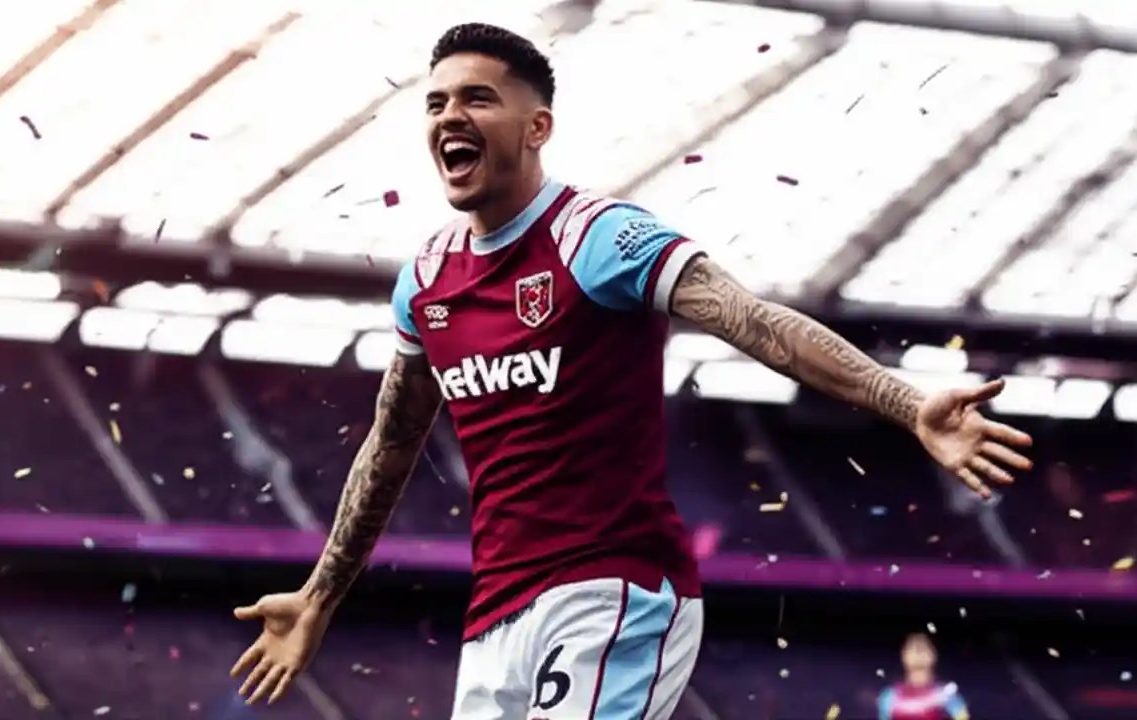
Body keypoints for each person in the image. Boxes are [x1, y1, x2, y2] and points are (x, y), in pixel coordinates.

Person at [229, 23, 1034, 718]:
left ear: (537, 125)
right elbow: (391, 442)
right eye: (436, 102)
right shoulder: (428, 279)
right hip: (493, 617)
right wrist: (320, 595)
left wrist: (905, 402)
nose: (449, 116)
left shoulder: (599, 239)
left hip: (612, 590)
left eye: (477, 98)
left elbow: (752, 320)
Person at [878, 633, 970, 720]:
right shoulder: (889, 696)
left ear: (933, 655)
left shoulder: (946, 694)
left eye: (923, 647)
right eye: (912, 648)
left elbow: (963, 716)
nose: (918, 652)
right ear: (903, 656)